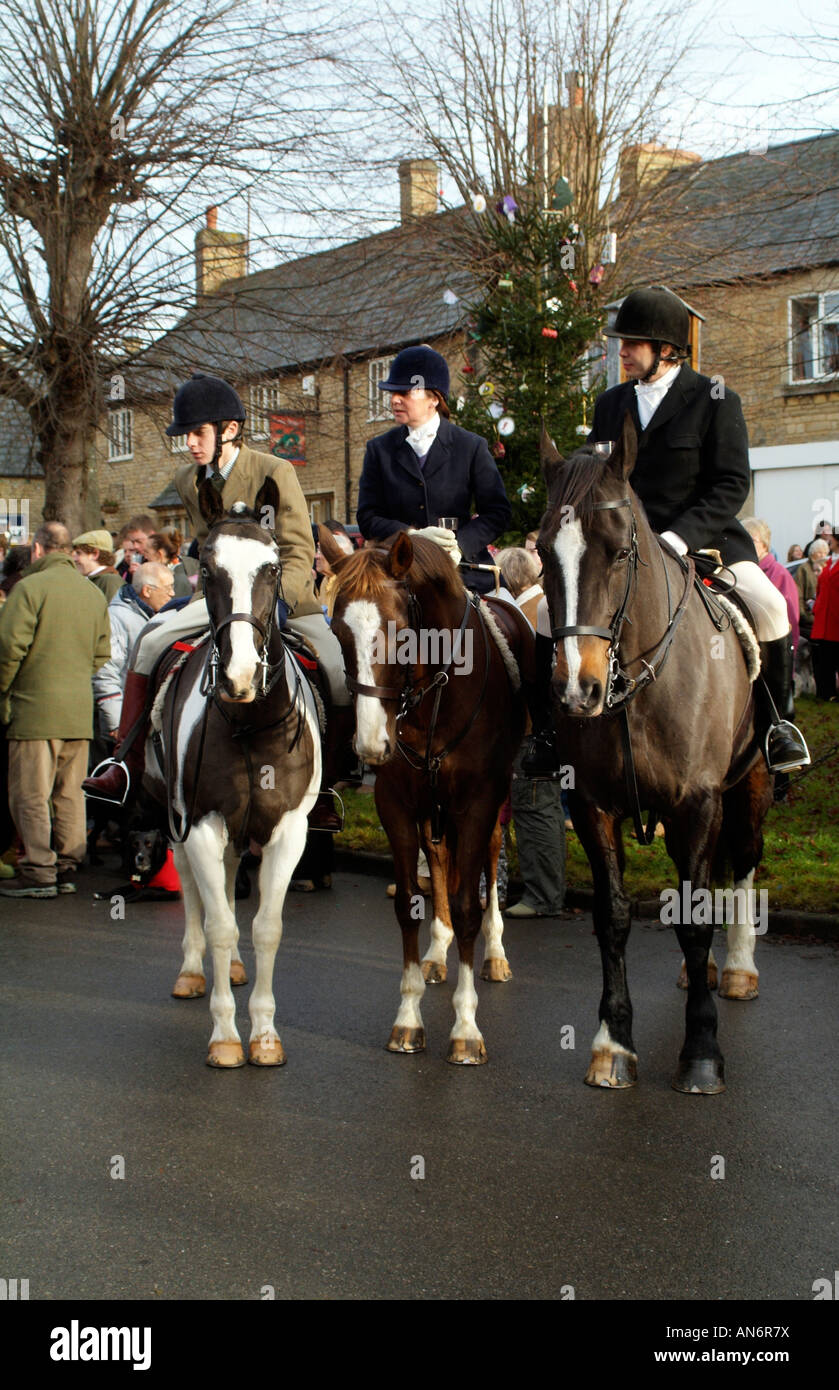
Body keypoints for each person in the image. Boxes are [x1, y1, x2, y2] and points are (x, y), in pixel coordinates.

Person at [83, 374, 350, 830]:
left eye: (197, 433)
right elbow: (205, 546)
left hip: (278, 595)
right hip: (218, 601)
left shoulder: (274, 471)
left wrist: (273, 600)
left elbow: (298, 547)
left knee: (337, 668)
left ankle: (325, 784)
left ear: (228, 429)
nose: (189, 443)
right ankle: (124, 763)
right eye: (185, 435)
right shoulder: (188, 480)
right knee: (148, 641)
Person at [588, 285, 809, 774]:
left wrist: (679, 536)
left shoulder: (715, 399)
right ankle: (546, 734)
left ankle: (778, 727)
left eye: (632, 343)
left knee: (771, 607)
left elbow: (731, 484)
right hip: (623, 545)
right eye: (620, 342)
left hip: (705, 541)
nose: (621, 351)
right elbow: (593, 475)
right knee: (548, 615)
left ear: (666, 348)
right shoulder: (610, 405)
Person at [356, 343, 559, 775]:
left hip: (460, 571)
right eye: (390, 392)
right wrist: (410, 538)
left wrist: (458, 543)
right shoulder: (379, 449)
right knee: (355, 638)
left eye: (402, 393)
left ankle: (539, 731)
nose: (393, 399)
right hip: (396, 573)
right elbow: (367, 515)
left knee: (518, 633)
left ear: (434, 398)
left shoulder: (470, 446)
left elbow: (498, 511)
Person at [0, 522, 110, 897]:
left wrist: (5, 693)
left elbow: (8, 651)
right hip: (78, 710)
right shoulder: (92, 593)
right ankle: (66, 864)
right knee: (69, 793)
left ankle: (38, 870)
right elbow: (102, 654)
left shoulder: (29, 588)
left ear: (37, 550)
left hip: (33, 710)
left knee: (30, 793)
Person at [495, 547, 566, 919]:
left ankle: (544, 895)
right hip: (539, 728)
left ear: (507, 577)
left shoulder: (527, 611)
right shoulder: (537, 604)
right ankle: (544, 891)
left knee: (535, 806)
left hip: (532, 729)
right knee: (539, 806)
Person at [92, 562, 176, 739]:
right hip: (125, 726)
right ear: (147, 591)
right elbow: (106, 673)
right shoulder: (117, 619)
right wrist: (117, 724)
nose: (172, 593)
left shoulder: (158, 616)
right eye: (168, 588)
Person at [743, 518, 800, 651]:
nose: (746, 544)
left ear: (765, 545)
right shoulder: (745, 571)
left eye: (752, 540)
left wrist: (787, 660)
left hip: (771, 649)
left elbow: (791, 622)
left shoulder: (780, 574)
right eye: (743, 539)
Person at [811, 532, 839, 700]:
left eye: (832, 540)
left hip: (835, 616)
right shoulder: (829, 562)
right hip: (824, 617)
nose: (829, 542)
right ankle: (826, 692)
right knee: (825, 657)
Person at [71, 529, 122, 601]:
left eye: (79, 553)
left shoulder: (110, 581)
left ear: (95, 554)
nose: (74, 559)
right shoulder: (95, 580)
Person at [146, 529, 198, 598]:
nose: (145, 557)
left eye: (146, 552)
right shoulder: (172, 571)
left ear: (159, 553)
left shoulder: (176, 578)